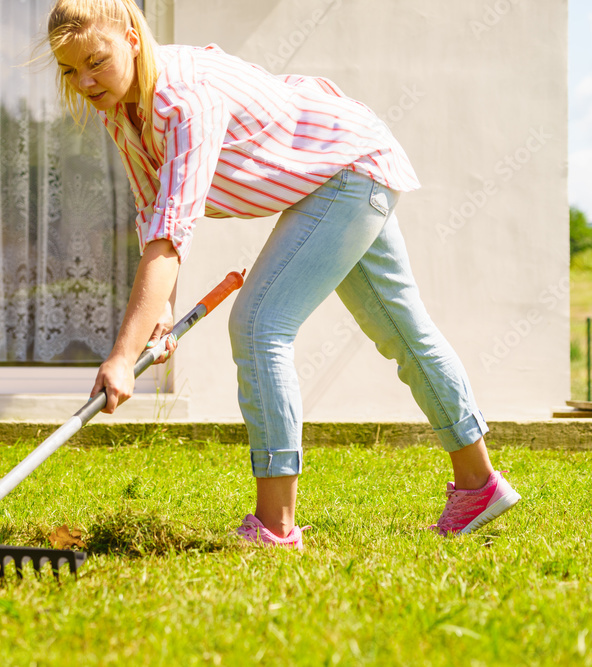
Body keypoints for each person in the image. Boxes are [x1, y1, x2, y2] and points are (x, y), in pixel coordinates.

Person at [47, 0, 521, 547]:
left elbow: (170, 234)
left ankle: (274, 527)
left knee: (259, 323)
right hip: (339, 167)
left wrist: (123, 357)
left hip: (346, 167)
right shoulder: (120, 108)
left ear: (132, 39)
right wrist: (164, 310)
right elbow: (155, 211)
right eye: (69, 70)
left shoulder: (182, 99)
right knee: (402, 329)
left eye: (96, 62)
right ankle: (479, 487)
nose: (84, 81)